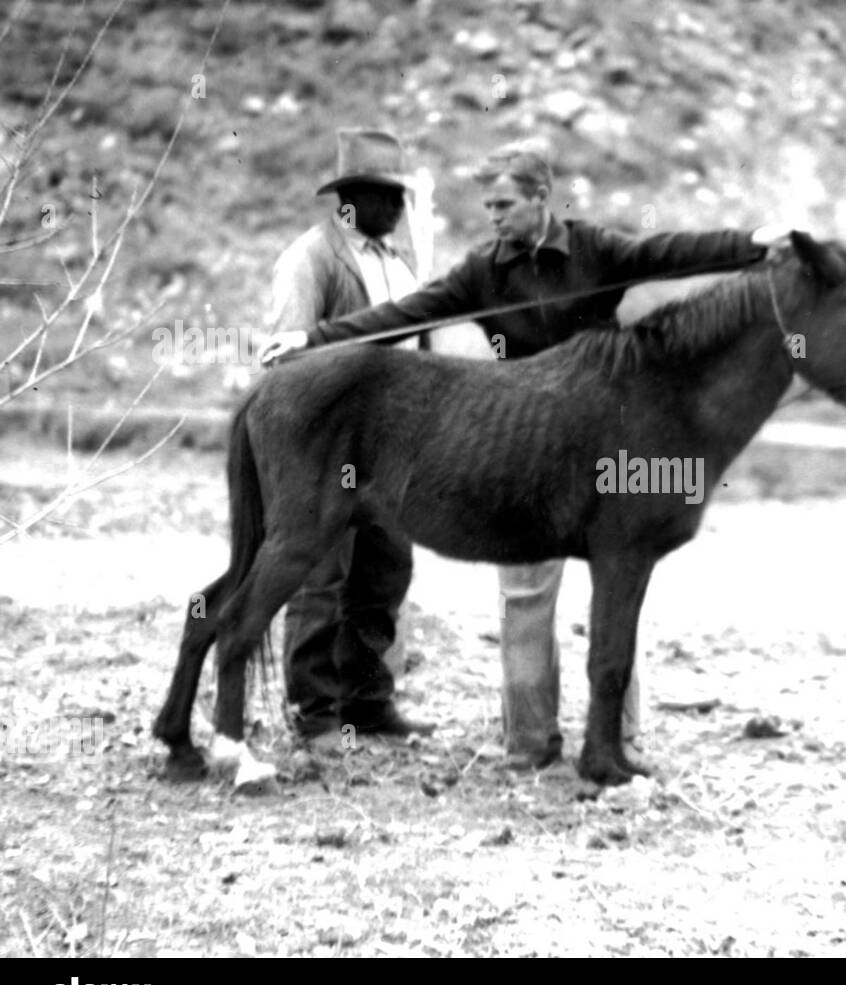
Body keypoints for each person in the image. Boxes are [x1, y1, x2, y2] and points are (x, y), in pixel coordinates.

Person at [262, 142, 773, 769]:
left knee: (622, 589)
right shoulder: (484, 269)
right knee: (526, 599)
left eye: (504, 203)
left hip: (610, 449)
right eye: (487, 206)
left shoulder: (595, 249)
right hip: (520, 453)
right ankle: (530, 743)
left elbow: (667, 252)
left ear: (541, 197)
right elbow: (404, 315)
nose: (494, 216)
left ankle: (621, 740)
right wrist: (311, 340)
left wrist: (755, 241)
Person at [266, 127, 435, 743]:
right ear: (348, 198)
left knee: (384, 575)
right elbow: (288, 362)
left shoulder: (401, 264)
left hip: (391, 454)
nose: (397, 209)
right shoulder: (309, 259)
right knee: (321, 579)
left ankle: (367, 701)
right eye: (385, 197)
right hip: (329, 449)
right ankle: (313, 714)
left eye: (401, 197)